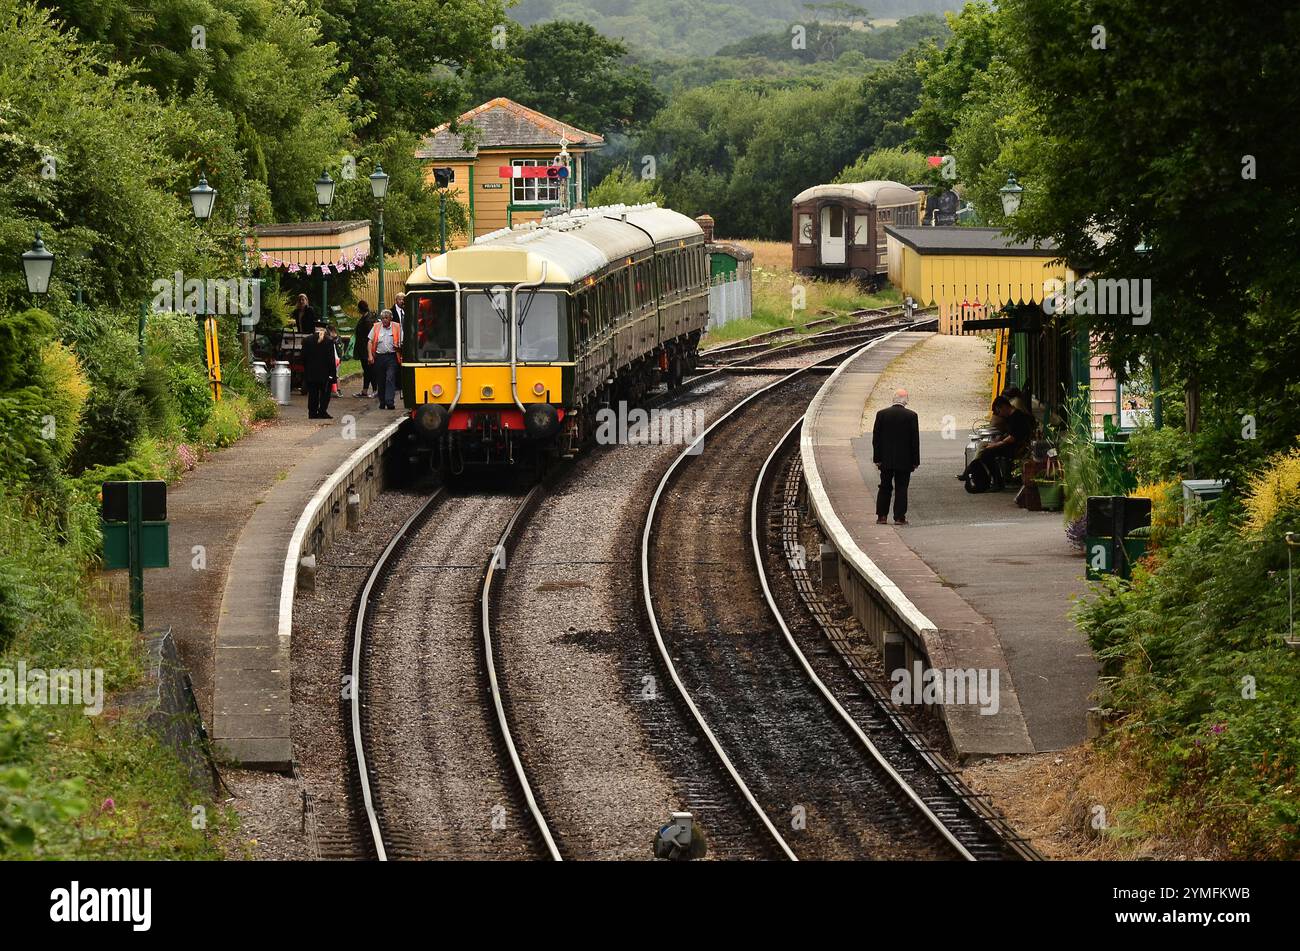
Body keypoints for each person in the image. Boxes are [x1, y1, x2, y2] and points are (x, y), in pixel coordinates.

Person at [958, 395, 1034, 490]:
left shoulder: (1017, 417)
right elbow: (1008, 434)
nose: (1000, 414)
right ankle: (974, 471)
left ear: (1004, 407)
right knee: (985, 447)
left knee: (987, 454)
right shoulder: (1010, 417)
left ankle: (997, 481)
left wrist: (996, 444)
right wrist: (997, 441)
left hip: (1016, 447)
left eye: (999, 411)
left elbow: (1012, 438)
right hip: (1009, 444)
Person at [871, 388, 920, 525]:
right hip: (905, 460)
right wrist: (915, 461)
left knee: (884, 486)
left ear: (893, 399)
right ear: (906, 401)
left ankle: (882, 516)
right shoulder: (911, 416)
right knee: (901, 488)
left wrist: (877, 458)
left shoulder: (881, 414)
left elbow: (876, 439)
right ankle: (899, 517)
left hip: (885, 459)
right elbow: (914, 441)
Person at [369, 308, 402, 410]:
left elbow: (403, 340)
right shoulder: (376, 327)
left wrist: (400, 347)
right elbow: (370, 341)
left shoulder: (397, 326)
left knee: (390, 378)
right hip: (379, 357)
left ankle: (390, 402)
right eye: (382, 318)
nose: (384, 320)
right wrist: (370, 355)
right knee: (381, 380)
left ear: (391, 318)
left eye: (386, 318)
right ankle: (382, 402)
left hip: (392, 356)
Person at [302, 324, 337, 419]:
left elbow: (303, 357)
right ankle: (322, 411)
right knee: (325, 393)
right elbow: (331, 360)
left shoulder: (306, 340)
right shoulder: (329, 341)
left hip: (311, 372)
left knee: (313, 393)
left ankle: (312, 412)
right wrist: (333, 375)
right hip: (325, 373)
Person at [353, 300, 376, 398]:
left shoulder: (367, 320)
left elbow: (369, 337)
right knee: (367, 370)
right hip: (363, 348)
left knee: (369, 370)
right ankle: (365, 390)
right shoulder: (367, 317)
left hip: (365, 349)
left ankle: (375, 389)